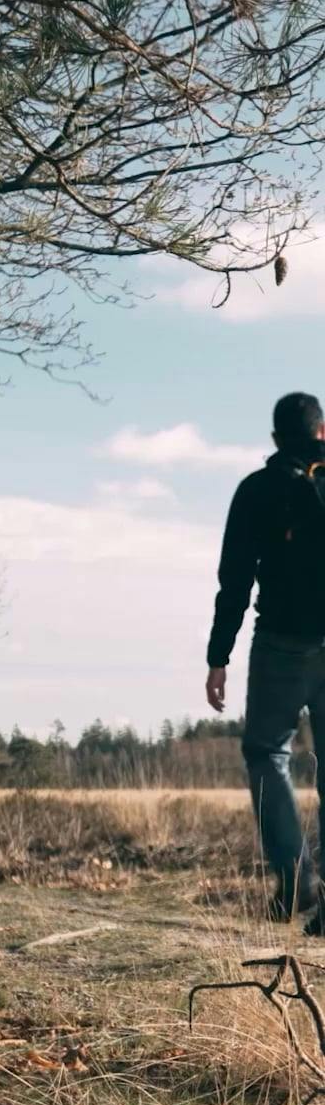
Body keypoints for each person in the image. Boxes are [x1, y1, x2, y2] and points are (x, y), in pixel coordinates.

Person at [207, 391, 325, 930]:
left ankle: (295, 873)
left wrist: (218, 655)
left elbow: (234, 579)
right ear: (321, 432)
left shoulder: (255, 490)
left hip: (280, 640)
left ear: (276, 440)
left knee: (265, 753)